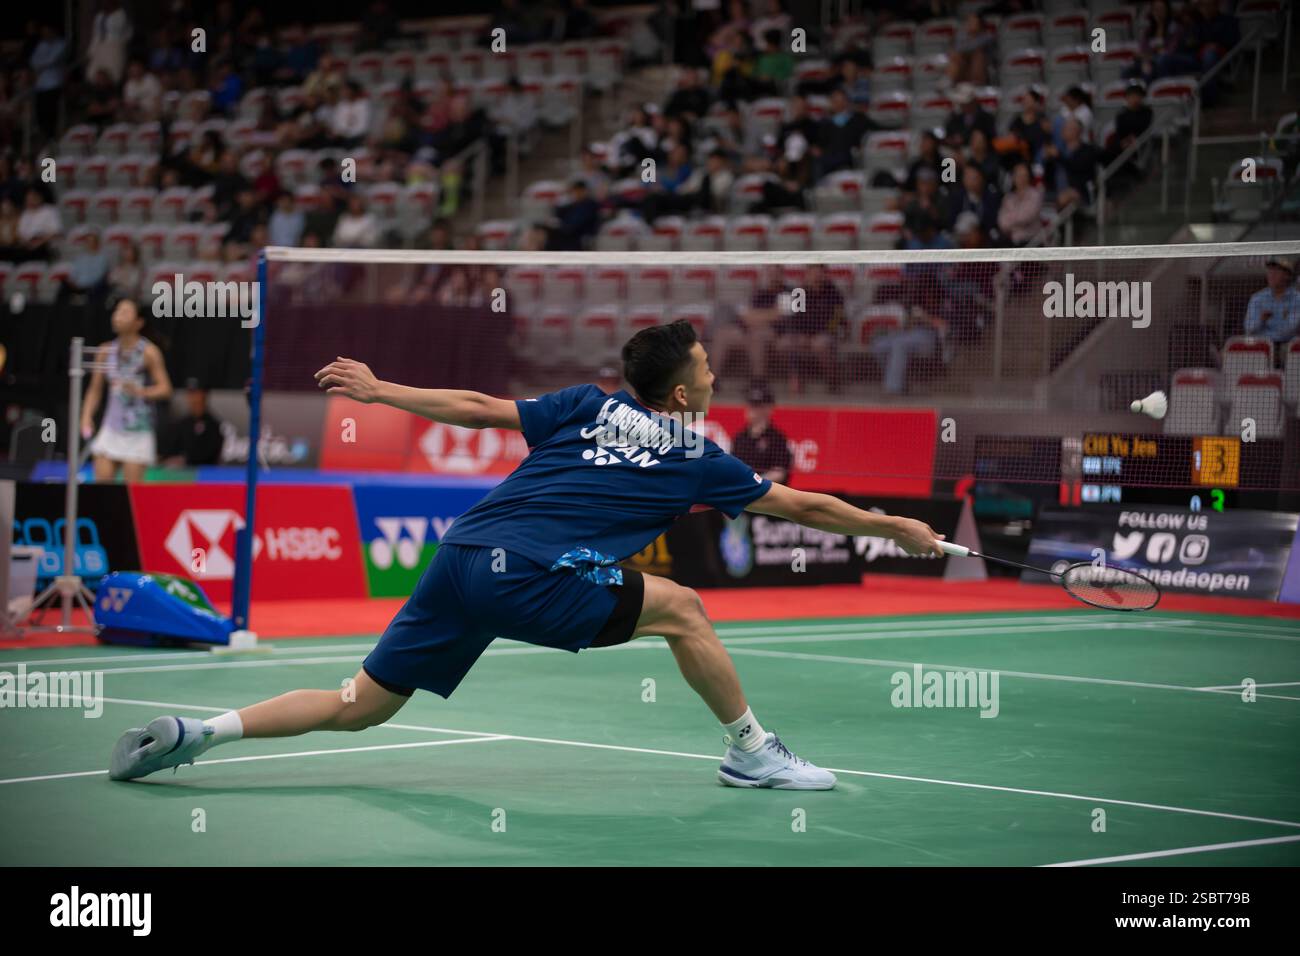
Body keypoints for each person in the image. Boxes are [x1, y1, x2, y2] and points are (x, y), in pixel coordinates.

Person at [108, 321, 945, 788]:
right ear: (684, 395)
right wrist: (896, 527)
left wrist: (381, 390)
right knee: (685, 608)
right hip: (524, 574)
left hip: (460, 554)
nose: (716, 375)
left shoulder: (586, 404)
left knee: (359, 702)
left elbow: (476, 407)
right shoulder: (698, 457)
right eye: (707, 367)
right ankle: (750, 752)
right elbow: (802, 505)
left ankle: (198, 731)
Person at [80, 298, 174, 482]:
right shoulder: (105, 351)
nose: (118, 317)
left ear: (138, 322)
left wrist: (140, 392)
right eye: (117, 311)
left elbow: (166, 389)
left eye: (125, 312)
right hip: (110, 428)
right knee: (102, 490)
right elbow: (95, 389)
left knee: (131, 494)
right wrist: (86, 416)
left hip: (138, 431)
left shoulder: (149, 352)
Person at [731, 383, 791, 484]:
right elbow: (732, 468)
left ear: (769, 408)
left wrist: (754, 482)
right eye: (751, 405)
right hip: (743, 492)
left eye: (758, 406)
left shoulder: (778, 438)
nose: (752, 410)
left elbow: (779, 473)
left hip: (769, 493)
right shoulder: (739, 437)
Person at [159, 382, 224, 466]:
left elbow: (212, 454)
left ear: (204, 395)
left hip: (206, 472)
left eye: (197, 394)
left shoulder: (214, 425)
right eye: (191, 394)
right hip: (183, 472)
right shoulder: (181, 424)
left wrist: (188, 458)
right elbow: (168, 450)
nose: (194, 398)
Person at [1242, 258, 1300, 348]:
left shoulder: (1297, 299)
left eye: (1276, 270)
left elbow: (1291, 330)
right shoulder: (1257, 298)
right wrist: (1261, 320)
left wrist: (1266, 334)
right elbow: (1249, 328)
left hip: (1286, 346)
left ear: (1287, 275)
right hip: (1261, 345)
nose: (1271, 274)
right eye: (1270, 270)